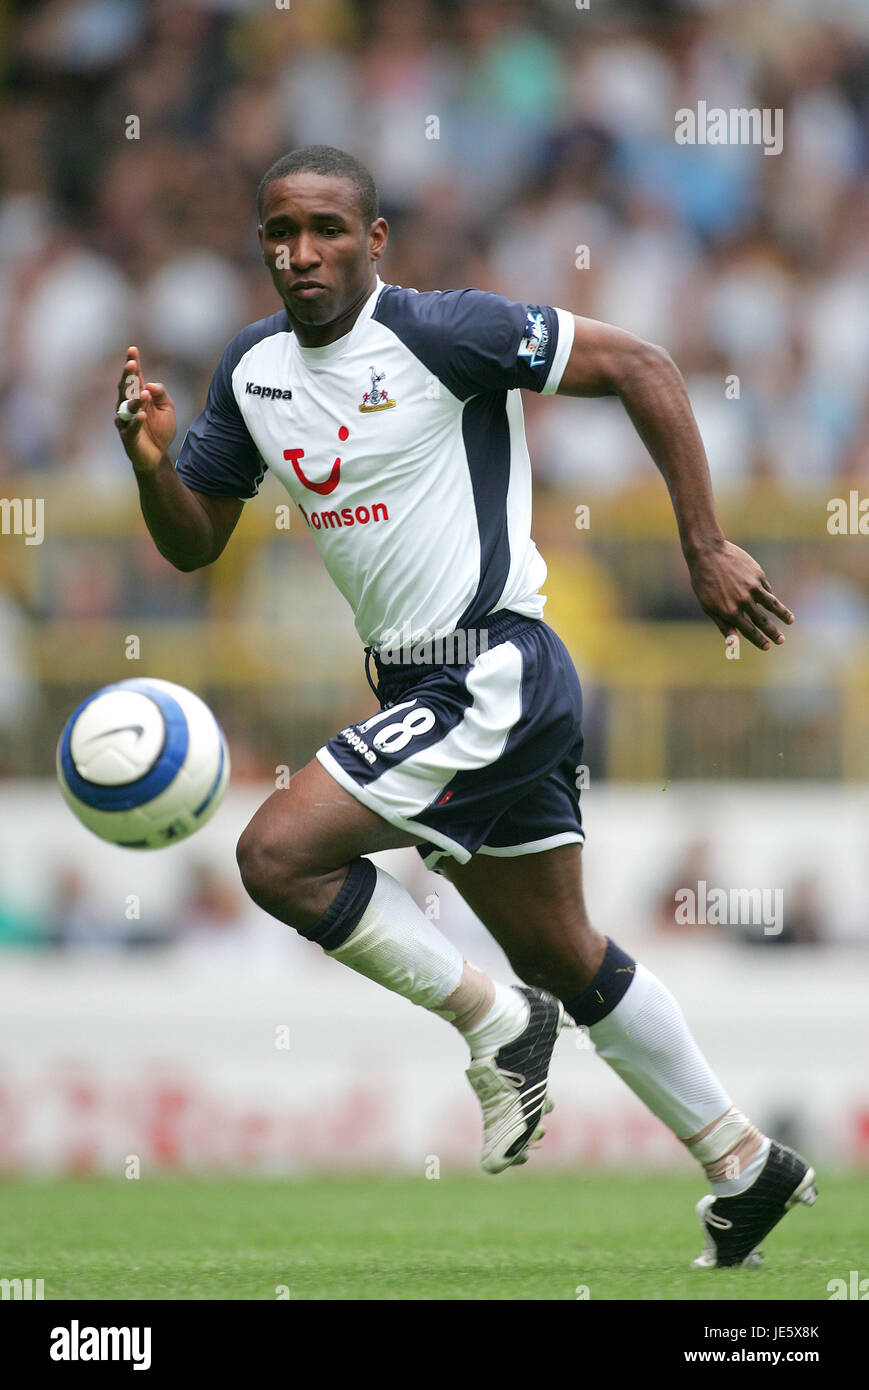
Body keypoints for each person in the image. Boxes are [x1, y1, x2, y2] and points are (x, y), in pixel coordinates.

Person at [116, 144, 816, 1269]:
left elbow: (641, 363)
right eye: (280, 233)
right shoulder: (249, 370)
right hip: (420, 685)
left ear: (374, 241)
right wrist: (150, 462)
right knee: (566, 956)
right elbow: (195, 543)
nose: (300, 252)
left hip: (493, 667)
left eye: (327, 231)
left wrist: (701, 543)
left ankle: (495, 1025)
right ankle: (742, 1160)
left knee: (274, 854)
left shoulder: (445, 332)